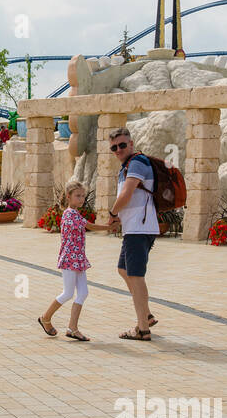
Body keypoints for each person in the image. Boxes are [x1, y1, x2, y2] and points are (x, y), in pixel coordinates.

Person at [37, 180, 116, 340]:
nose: (81, 199)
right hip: (69, 259)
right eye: (77, 196)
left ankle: (72, 328)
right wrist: (109, 228)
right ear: (69, 196)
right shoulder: (69, 214)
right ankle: (45, 318)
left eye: (83, 196)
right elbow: (90, 226)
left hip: (78, 259)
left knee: (83, 293)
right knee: (67, 293)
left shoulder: (75, 213)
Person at [104, 128, 160, 340]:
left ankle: (142, 328)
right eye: (114, 147)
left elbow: (127, 193)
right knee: (123, 269)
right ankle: (146, 315)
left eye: (122, 145)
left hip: (139, 228)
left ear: (131, 143)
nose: (118, 149)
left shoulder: (137, 162)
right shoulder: (126, 166)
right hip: (133, 228)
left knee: (136, 276)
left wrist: (112, 212)